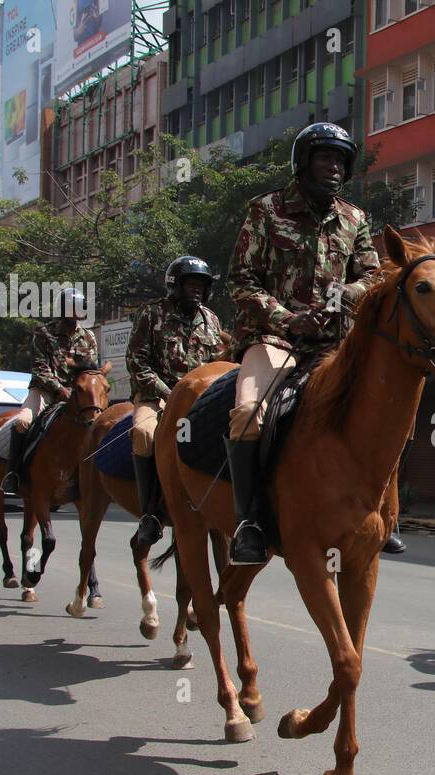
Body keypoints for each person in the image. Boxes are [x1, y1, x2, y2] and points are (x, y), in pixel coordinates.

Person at [224, 122, 381, 565]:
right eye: (324, 158)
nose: (333, 167)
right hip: (274, 339)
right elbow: (241, 280)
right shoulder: (266, 210)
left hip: (338, 344)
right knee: (248, 415)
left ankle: (379, 514)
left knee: (384, 408)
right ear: (303, 163)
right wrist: (288, 318)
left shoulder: (355, 219)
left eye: (339, 160)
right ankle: (249, 521)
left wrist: (341, 299)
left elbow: (371, 277)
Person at [126, 255, 224, 546]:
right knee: (143, 435)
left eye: (201, 286)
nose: (196, 290)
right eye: (190, 284)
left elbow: (219, 360)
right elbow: (136, 361)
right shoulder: (151, 314)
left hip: (203, 398)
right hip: (157, 396)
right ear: (175, 286)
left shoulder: (211, 320)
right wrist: (169, 393)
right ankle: (150, 514)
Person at [1, 288, 98, 494]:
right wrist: (59, 388)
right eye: (72, 308)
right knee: (22, 422)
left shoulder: (88, 337)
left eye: (80, 308)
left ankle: (95, 477)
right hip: (45, 391)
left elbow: (90, 368)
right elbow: (40, 368)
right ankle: (13, 474)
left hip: (77, 393)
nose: (77, 313)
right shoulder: (43, 333)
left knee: (97, 425)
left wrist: (81, 388)